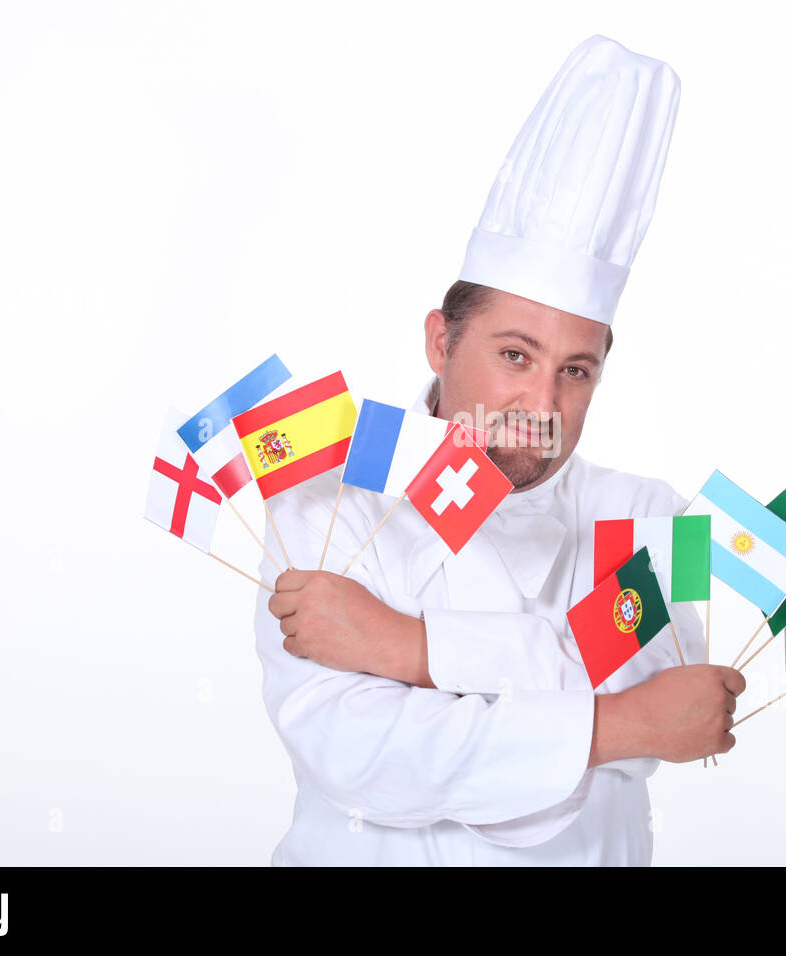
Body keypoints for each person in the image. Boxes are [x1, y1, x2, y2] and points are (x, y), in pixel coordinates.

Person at [254, 35, 746, 866]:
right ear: (440, 342)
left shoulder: (650, 517)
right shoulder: (323, 503)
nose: (542, 405)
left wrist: (405, 648)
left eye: (575, 370)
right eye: (514, 355)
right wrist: (611, 720)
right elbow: (368, 758)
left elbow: (667, 729)